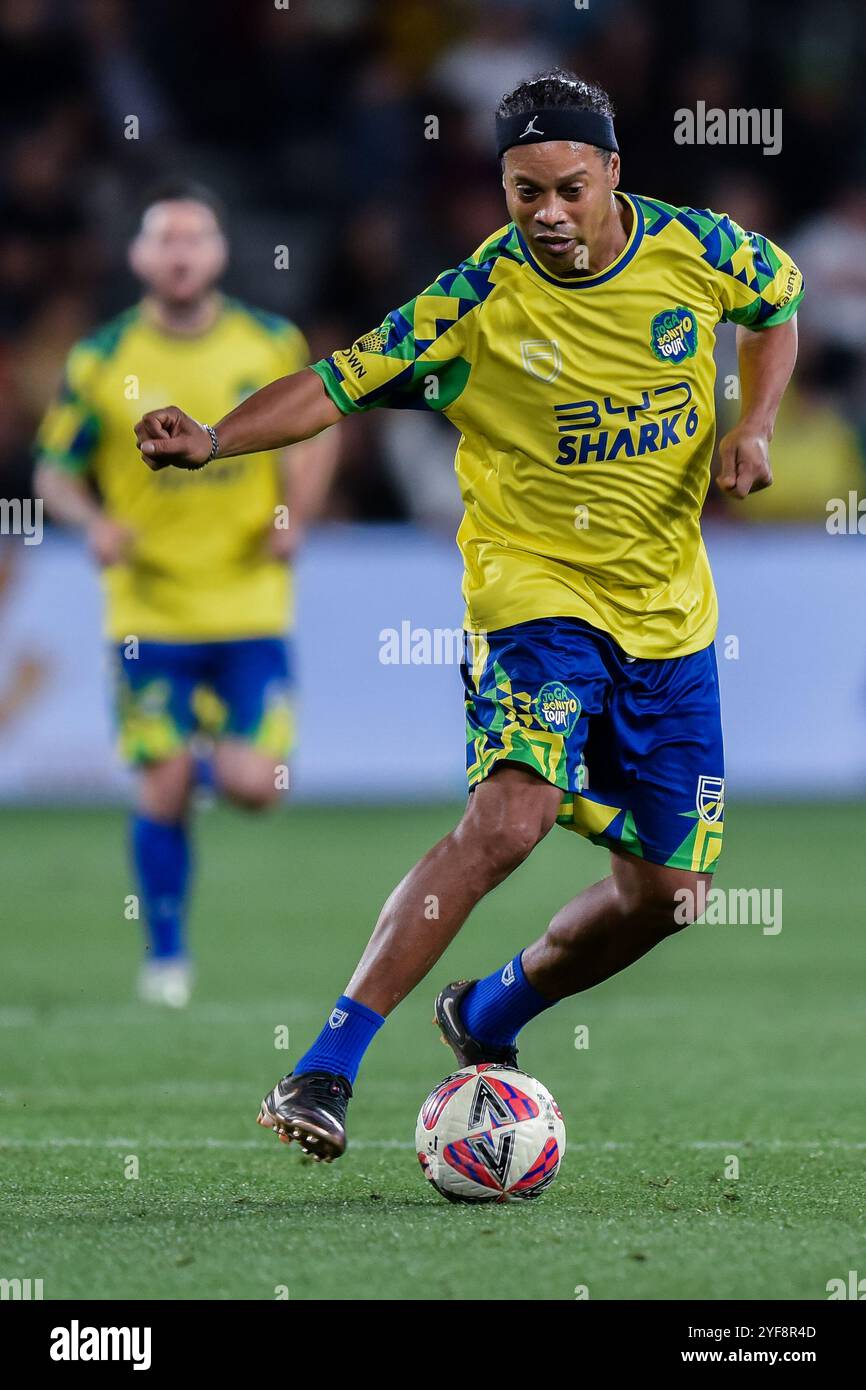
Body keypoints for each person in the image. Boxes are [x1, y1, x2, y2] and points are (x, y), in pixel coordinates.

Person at [133, 72, 802, 1155]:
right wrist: (213, 438)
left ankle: (487, 1012)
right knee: (509, 818)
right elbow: (333, 383)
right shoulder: (473, 302)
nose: (546, 214)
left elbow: (778, 305)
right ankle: (323, 1068)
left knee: (670, 893)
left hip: (669, 622)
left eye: (568, 189)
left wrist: (754, 422)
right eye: (523, 191)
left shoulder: (703, 251)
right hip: (533, 598)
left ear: (613, 175)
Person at [36, 181, 337, 1007]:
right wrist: (90, 522)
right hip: (148, 613)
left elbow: (320, 427)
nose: (178, 253)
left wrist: (297, 514)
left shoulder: (271, 342)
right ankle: (166, 955)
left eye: (193, 238)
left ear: (217, 253)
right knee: (163, 785)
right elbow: (53, 470)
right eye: (163, 240)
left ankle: (204, 745)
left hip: (248, 606)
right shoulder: (100, 357)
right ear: (139, 257)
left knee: (254, 788)